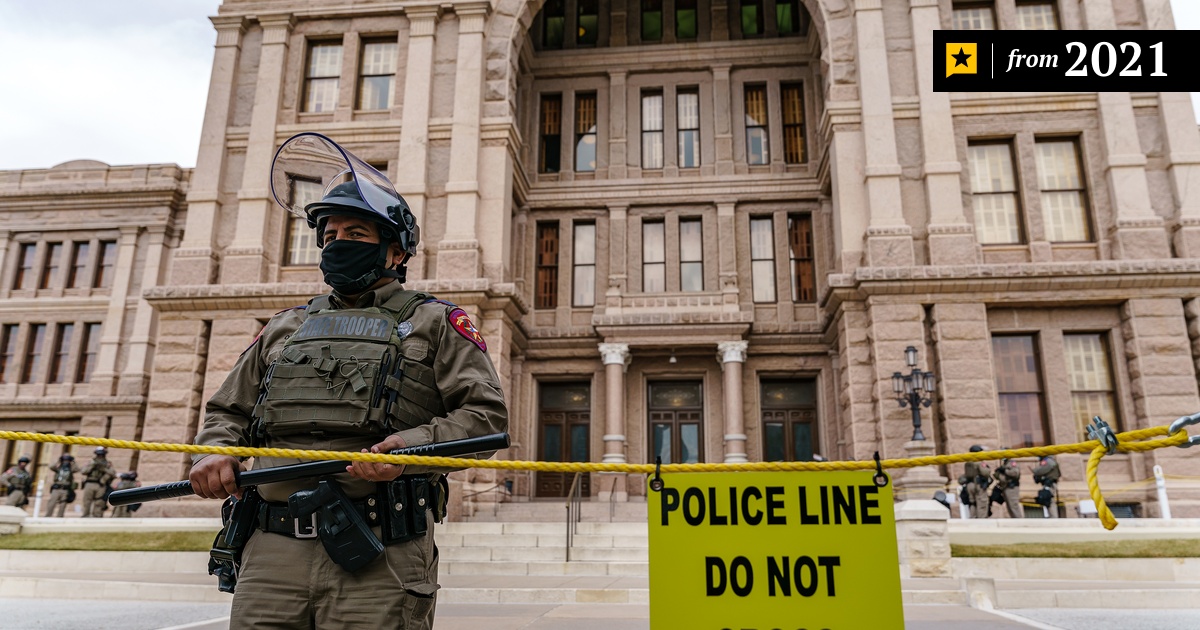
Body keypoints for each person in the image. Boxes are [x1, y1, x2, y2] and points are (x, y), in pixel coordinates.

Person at [188, 133, 508, 630]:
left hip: (381, 548)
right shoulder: (286, 326)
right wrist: (216, 451)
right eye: (330, 236)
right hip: (272, 550)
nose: (338, 246)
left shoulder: (437, 323)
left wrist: (408, 449)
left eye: (355, 236)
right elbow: (228, 412)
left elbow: (485, 419)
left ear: (396, 252)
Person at [79, 447, 115, 517]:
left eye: (102, 454)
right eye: (99, 454)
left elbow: (113, 473)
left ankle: (97, 517)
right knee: (87, 501)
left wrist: (104, 469)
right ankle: (85, 516)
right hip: (90, 483)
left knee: (99, 502)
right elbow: (83, 471)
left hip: (101, 485)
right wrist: (92, 466)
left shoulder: (107, 464)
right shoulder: (91, 462)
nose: (100, 456)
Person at [958, 445, 991, 519]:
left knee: (972, 503)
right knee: (982, 504)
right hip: (978, 485)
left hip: (969, 485)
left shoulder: (968, 463)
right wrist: (987, 468)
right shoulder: (979, 462)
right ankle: (981, 521)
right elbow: (985, 473)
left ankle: (972, 518)